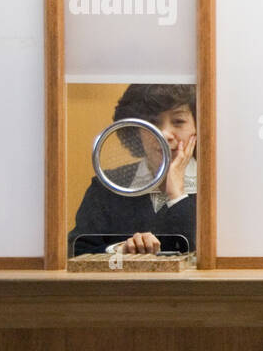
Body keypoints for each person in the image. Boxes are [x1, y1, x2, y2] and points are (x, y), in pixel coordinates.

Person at [68, 84, 197, 256]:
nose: (165, 134)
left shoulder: (219, 185)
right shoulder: (108, 185)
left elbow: (206, 256)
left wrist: (177, 195)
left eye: (178, 122)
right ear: (136, 130)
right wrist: (119, 250)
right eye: (152, 122)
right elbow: (77, 250)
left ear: (198, 127)